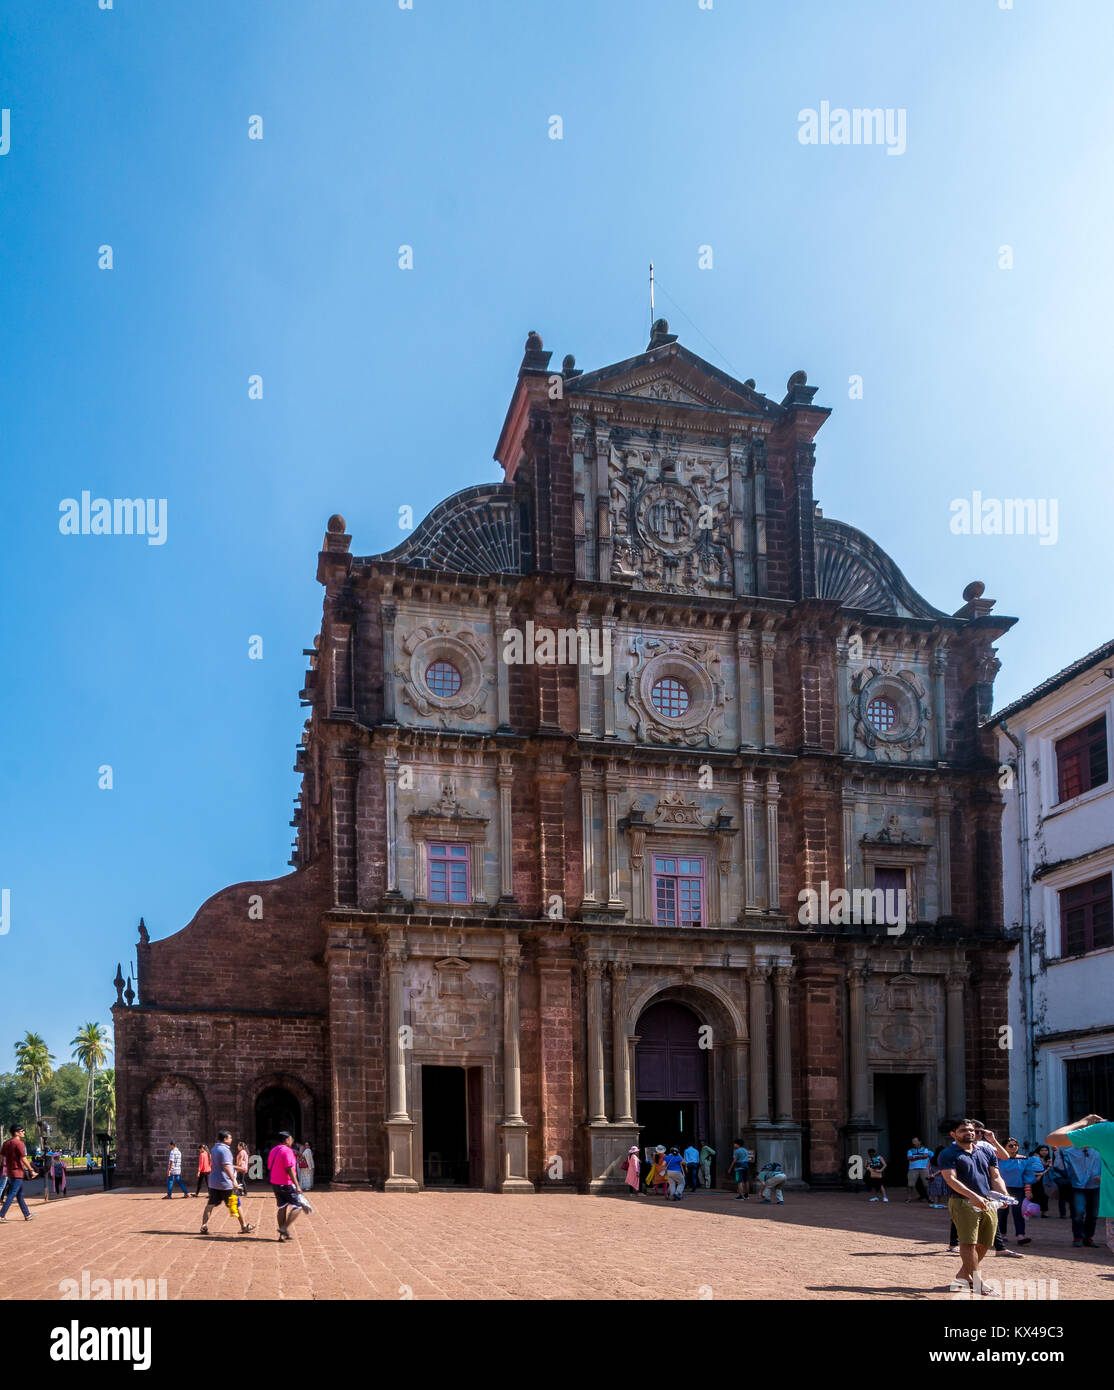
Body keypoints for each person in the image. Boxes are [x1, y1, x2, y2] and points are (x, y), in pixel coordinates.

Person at [939, 1118, 1012, 1295]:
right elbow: (951, 1179)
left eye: (971, 1130)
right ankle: (977, 1282)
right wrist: (973, 1196)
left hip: (987, 1201)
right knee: (968, 1243)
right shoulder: (948, 1153)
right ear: (953, 1134)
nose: (969, 1133)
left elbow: (995, 1176)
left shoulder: (985, 1151)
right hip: (962, 1202)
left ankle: (962, 1277)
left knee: (985, 1243)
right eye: (963, 1130)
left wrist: (1003, 1195)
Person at [1045, 1113, 1114, 1255]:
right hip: (1080, 1185)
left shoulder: (1104, 1131)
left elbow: (1053, 1138)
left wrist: (1081, 1123)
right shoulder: (1074, 1151)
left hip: (1100, 1191)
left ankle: (1087, 1237)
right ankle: (1079, 1237)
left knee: (1089, 1214)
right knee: (1078, 1213)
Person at [200, 1130, 254, 1236]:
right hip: (225, 1183)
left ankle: (203, 1226)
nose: (231, 1139)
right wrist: (233, 1180)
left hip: (213, 1182)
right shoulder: (225, 1151)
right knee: (236, 1204)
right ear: (225, 1139)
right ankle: (244, 1226)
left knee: (210, 1205)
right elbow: (226, 1166)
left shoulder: (214, 1148)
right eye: (230, 1138)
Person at [997, 1138, 1041, 1246]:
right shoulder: (998, 1159)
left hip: (1018, 1189)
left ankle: (1020, 1235)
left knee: (1019, 1212)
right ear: (1004, 1147)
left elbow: (1028, 1176)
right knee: (1002, 1213)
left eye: (1015, 1145)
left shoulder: (1024, 1160)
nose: (1013, 1147)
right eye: (1010, 1145)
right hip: (1002, 1189)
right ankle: (1002, 1234)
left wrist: (1028, 1191)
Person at [267, 1129, 303, 1242]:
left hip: (275, 1182)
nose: (292, 1141)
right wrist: (297, 1185)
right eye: (291, 1139)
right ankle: (283, 1228)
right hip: (286, 1182)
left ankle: (282, 1235)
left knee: (282, 1207)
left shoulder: (273, 1150)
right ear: (286, 1140)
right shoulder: (287, 1151)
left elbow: (268, 1166)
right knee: (298, 1206)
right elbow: (289, 1168)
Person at [0, 1124, 35, 1222]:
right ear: (16, 1132)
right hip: (18, 1171)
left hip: (10, 1171)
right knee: (12, 1194)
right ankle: (1, 1215)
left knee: (19, 1194)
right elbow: (23, 1158)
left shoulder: (6, 1143)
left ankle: (27, 1214)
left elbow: (1, 1156)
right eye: (22, 1131)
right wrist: (31, 1170)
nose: (24, 1132)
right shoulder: (19, 1143)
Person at [905, 1137, 933, 1202]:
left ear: (919, 1142)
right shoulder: (910, 1150)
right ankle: (909, 1198)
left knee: (927, 1184)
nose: (913, 1142)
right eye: (913, 1141)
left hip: (924, 1168)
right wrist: (920, 1156)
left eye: (915, 1141)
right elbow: (909, 1158)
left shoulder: (925, 1149)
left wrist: (914, 1157)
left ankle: (930, 1198)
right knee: (910, 1184)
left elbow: (925, 1156)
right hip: (913, 1169)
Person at [1032, 1144, 1053, 1217]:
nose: (1044, 1152)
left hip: (1045, 1180)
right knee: (1036, 1195)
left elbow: (1048, 1169)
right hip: (1036, 1179)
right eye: (1042, 1150)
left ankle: (1044, 1212)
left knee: (1045, 1196)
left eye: (1046, 1150)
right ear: (1038, 1151)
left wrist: (1040, 1175)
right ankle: (1034, 1212)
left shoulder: (1049, 1159)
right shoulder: (1035, 1158)